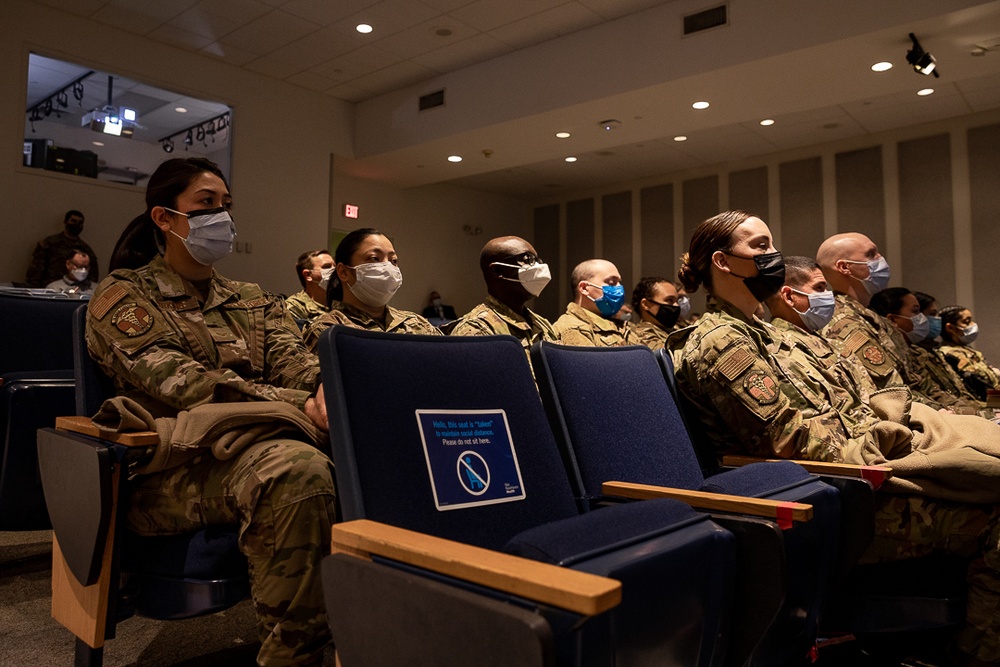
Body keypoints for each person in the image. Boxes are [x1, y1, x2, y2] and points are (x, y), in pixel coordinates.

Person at [670, 210, 1000, 667]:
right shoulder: (722, 342)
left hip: (867, 471)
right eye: (761, 246)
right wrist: (886, 436)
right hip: (841, 501)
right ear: (723, 263)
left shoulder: (776, 335)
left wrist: (890, 427)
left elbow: (869, 399)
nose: (774, 255)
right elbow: (793, 446)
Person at [86, 157, 336, 666]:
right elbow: (186, 384)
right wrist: (301, 407)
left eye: (225, 205)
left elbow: (294, 360)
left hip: (257, 446)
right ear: (164, 218)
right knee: (296, 472)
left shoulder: (250, 299)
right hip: (168, 470)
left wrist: (325, 389)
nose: (220, 215)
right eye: (205, 204)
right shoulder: (122, 295)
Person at [816, 233, 955, 411]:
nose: (880, 259)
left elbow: (917, 383)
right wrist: (950, 414)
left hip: (927, 411)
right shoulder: (844, 322)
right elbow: (891, 392)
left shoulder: (874, 320)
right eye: (871, 254)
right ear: (844, 267)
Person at [302, 228, 441, 350]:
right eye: (374, 259)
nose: (388, 268)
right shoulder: (328, 330)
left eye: (393, 261)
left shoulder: (416, 322)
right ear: (344, 272)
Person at [869, 287, 989, 416]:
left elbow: (936, 391)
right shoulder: (886, 353)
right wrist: (976, 414)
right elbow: (908, 397)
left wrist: (979, 413)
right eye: (916, 311)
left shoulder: (915, 352)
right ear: (892, 319)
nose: (923, 318)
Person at [449, 236, 556, 360]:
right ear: (497, 270)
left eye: (537, 260)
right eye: (527, 259)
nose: (537, 267)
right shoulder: (476, 330)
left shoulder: (541, 323)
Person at [552, 259, 636, 347]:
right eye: (612, 283)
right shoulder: (573, 327)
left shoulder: (622, 325)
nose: (619, 287)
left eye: (619, 282)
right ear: (584, 288)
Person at [940, 305, 1000, 401]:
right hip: (984, 402)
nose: (973, 324)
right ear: (950, 328)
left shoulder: (967, 349)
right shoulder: (950, 354)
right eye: (966, 321)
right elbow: (978, 384)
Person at [26, 209, 99, 287]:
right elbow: (35, 272)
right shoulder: (49, 243)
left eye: (80, 222)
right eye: (73, 221)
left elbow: (93, 275)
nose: (77, 224)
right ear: (65, 221)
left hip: (76, 291)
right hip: (49, 290)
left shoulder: (85, 249)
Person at [630, 276, 683, 351]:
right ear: (646, 304)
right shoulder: (642, 337)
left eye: (676, 301)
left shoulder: (672, 330)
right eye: (669, 300)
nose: (676, 305)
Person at [284, 249, 333, 324]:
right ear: (308, 275)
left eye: (335, 266)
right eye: (327, 267)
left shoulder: (341, 304)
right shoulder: (294, 307)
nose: (334, 270)